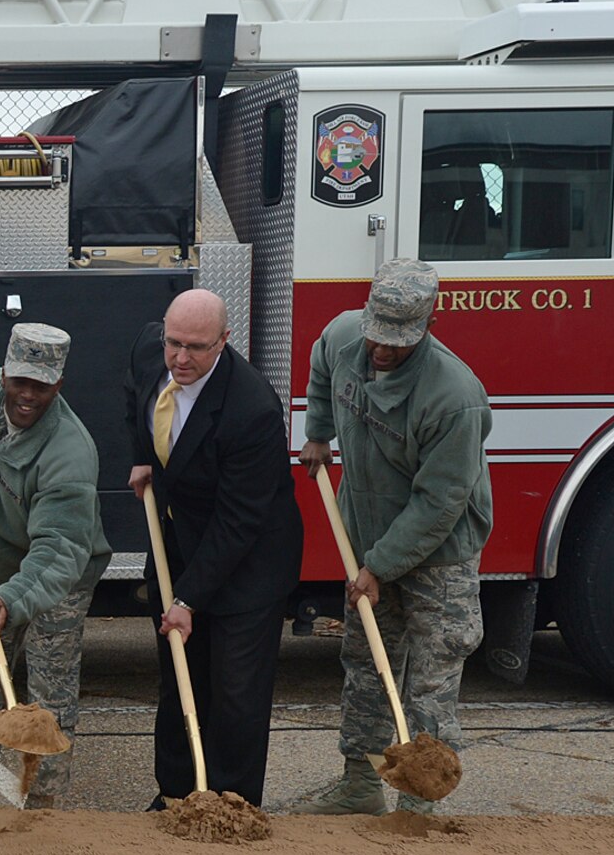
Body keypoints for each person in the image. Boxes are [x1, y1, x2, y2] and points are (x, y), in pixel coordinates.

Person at [291, 258, 491, 815]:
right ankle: (359, 786)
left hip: (439, 556)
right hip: (368, 537)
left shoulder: (454, 397)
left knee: (430, 679)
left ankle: (421, 804)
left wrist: (379, 568)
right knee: (366, 664)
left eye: (397, 343)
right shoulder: (342, 334)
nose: (381, 350)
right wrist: (318, 432)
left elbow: (439, 504)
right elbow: (322, 368)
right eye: (377, 335)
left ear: (428, 323)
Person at [125, 288, 303, 807]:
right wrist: (143, 455)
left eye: (197, 348)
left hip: (249, 561)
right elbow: (133, 393)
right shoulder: (150, 351)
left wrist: (187, 602)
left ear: (224, 341)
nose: (181, 358)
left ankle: (232, 802)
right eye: (173, 343)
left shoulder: (251, 410)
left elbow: (239, 521)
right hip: (181, 541)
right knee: (180, 678)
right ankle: (176, 793)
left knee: (235, 694)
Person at [0, 324, 108, 808]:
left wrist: (12, 599)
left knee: (49, 694)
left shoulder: (69, 452)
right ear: (5, 371)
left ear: (59, 385)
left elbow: (57, 552)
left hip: (58, 578)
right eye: (20, 381)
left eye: (42, 386)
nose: (28, 396)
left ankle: (44, 802)